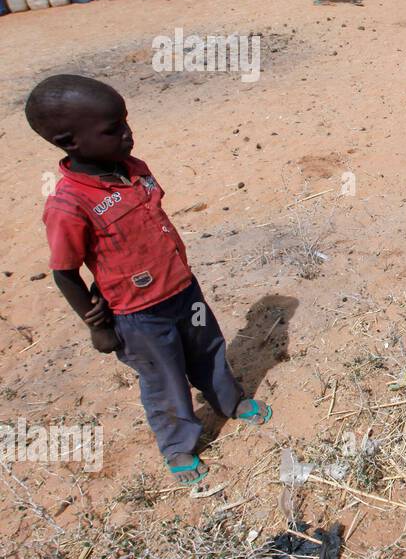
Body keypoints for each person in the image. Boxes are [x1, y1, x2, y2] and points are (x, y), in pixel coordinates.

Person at [26, 75, 271, 486]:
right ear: (69, 141)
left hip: (183, 290)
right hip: (138, 317)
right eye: (112, 129)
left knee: (209, 347)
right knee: (165, 379)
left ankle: (229, 401)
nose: (127, 133)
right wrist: (97, 326)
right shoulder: (69, 205)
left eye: (125, 121)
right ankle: (179, 445)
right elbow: (64, 271)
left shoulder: (133, 170)